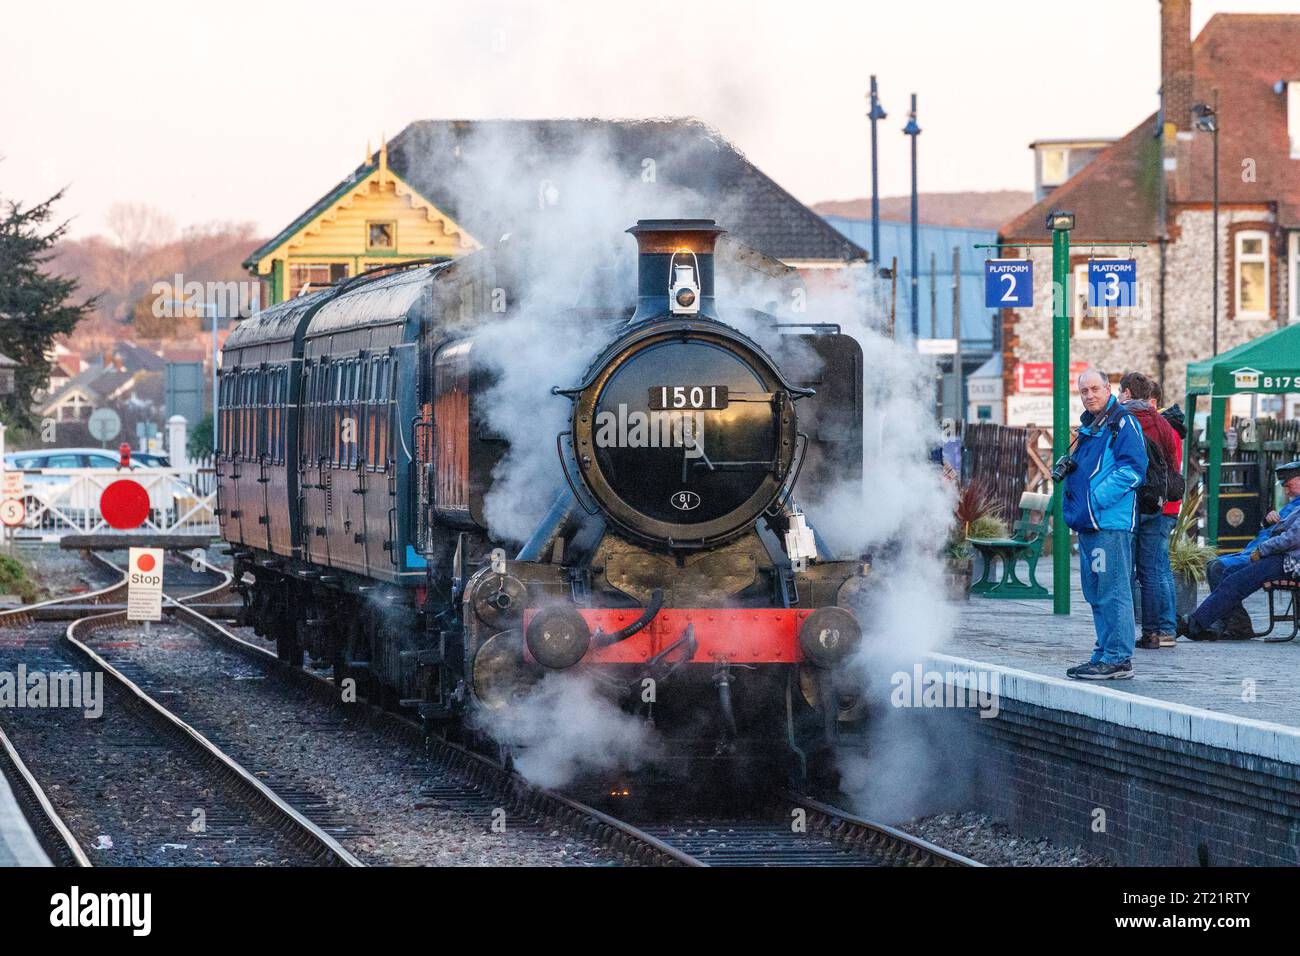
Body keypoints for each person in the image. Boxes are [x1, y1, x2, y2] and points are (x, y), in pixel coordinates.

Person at [1062, 369, 1149, 680]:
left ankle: (1117, 658)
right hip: (1091, 524)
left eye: (1095, 388)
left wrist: (1096, 498)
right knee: (1097, 591)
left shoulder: (1121, 422)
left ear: (1109, 388)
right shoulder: (1093, 426)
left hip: (1109, 523)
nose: (1089, 395)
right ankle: (1104, 652)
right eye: (1084, 391)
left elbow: (1134, 469)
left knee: (1113, 591)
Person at [1178, 460, 1300, 640]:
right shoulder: (1293, 505)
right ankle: (1218, 623)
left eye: (1289, 485)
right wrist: (1267, 524)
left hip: (1289, 561)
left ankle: (1195, 624)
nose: (1286, 491)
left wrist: (1262, 550)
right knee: (1230, 576)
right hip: (1281, 557)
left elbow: (1293, 537)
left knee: (1234, 579)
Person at [1118, 372, 1181, 650]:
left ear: (1128, 392)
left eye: (1121, 391)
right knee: (1151, 572)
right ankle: (1154, 632)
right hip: (1156, 505)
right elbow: (1172, 464)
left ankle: (1125, 628)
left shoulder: (1121, 421)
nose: (1119, 396)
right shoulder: (1161, 423)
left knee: (1125, 570)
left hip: (1129, 502)